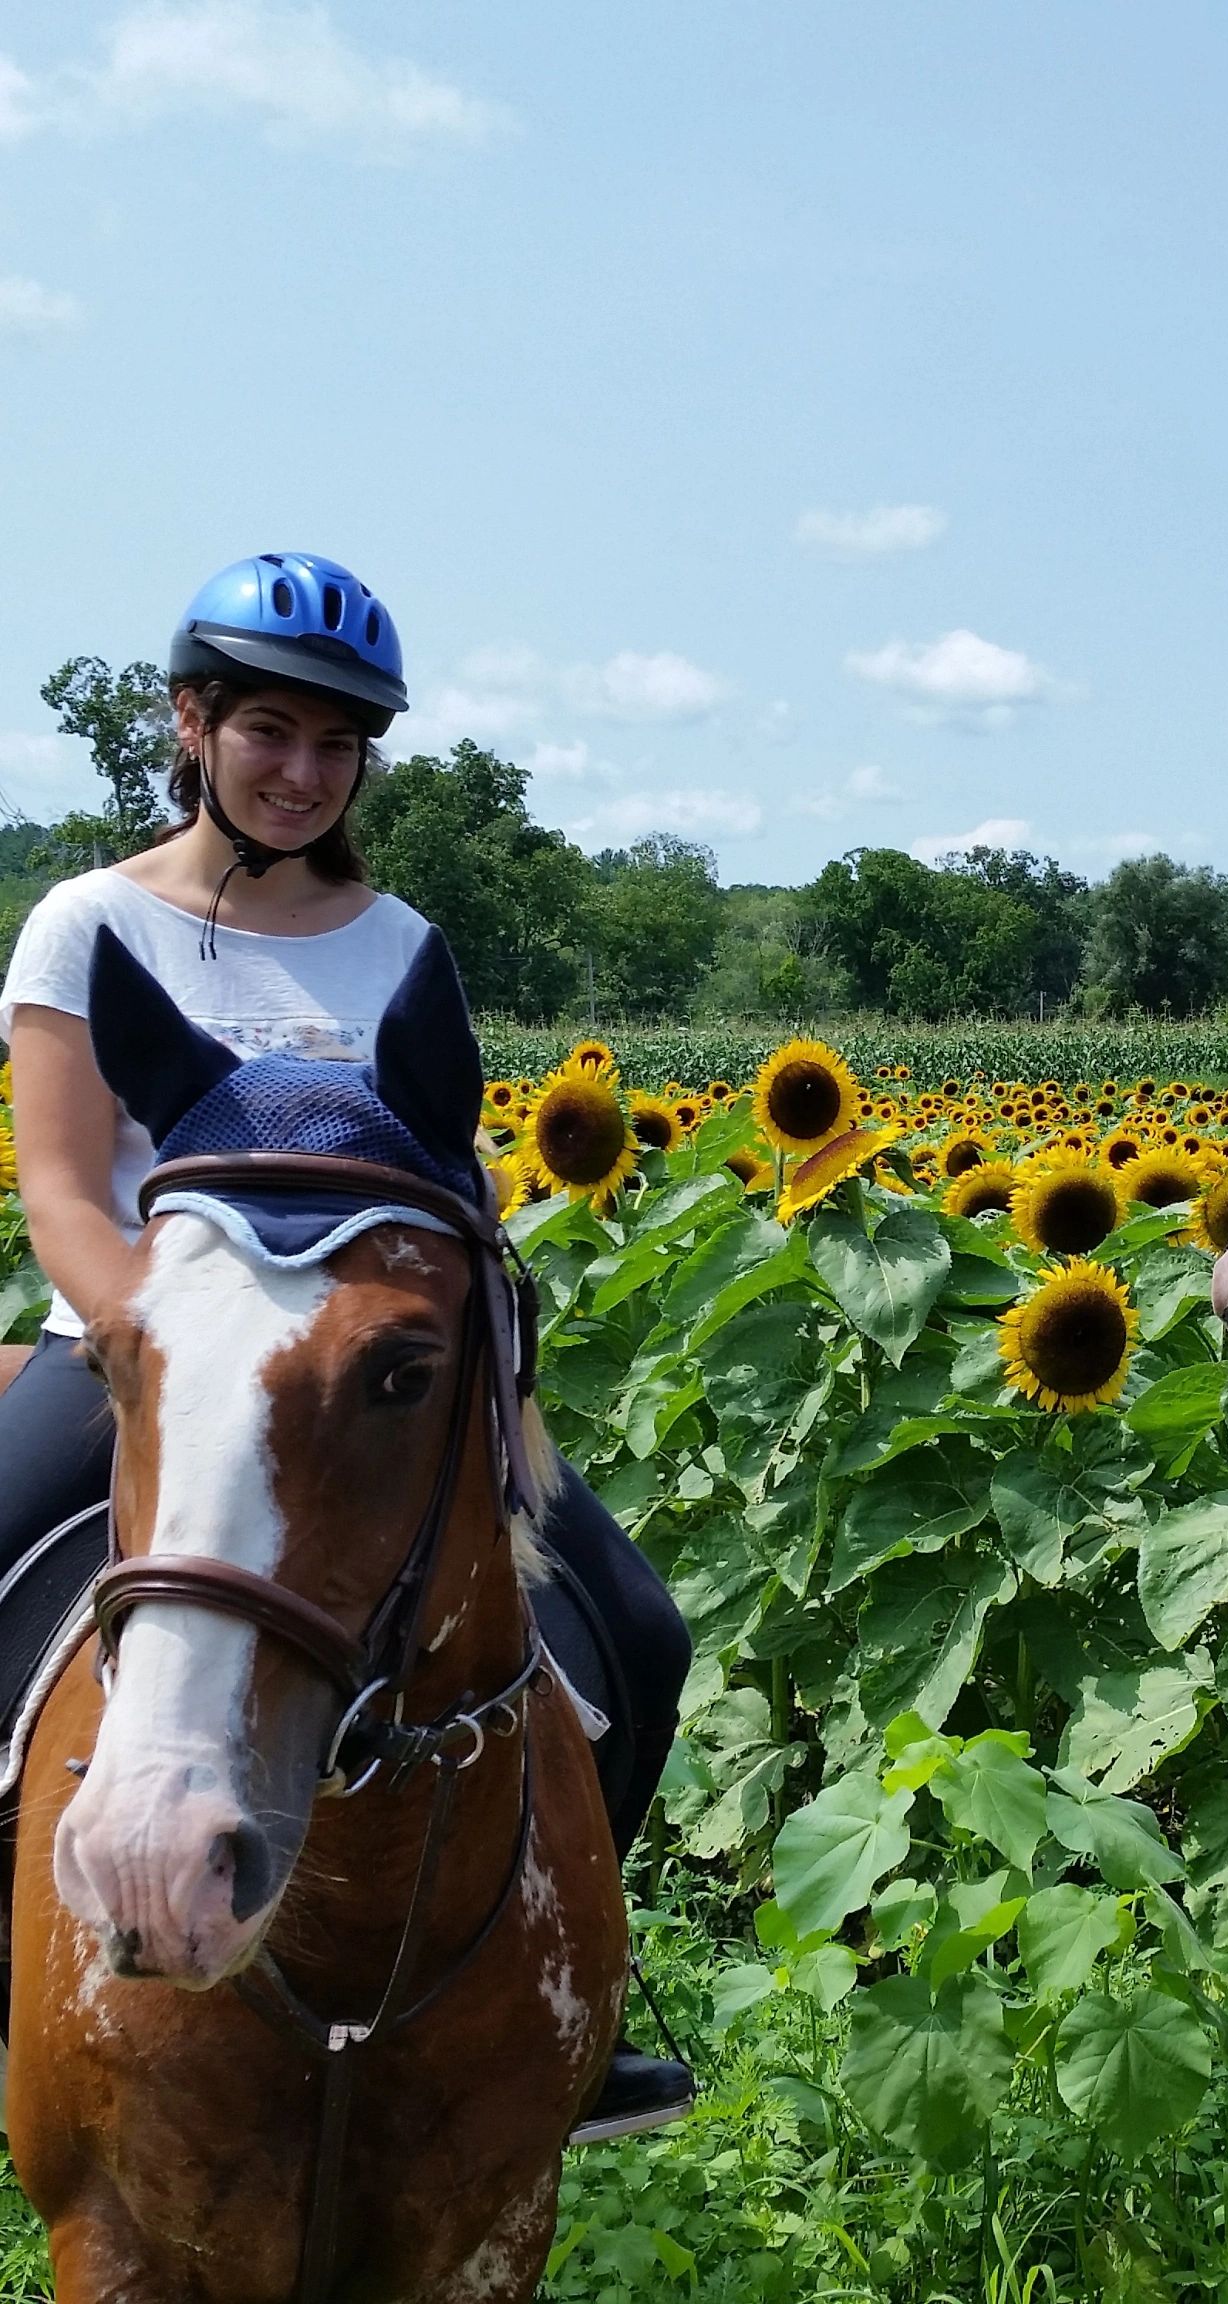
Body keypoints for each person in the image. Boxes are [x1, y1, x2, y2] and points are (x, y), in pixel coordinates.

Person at [0, 553, 695, 2137]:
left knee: (638, 1631)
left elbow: (452, 1181)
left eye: (338, 746)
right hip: (132, 1355)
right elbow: (58, 1184)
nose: (304, 775)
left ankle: (568, 2000)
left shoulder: (400, 947)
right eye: (268, 733)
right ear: (192, 722)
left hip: (360, 1383)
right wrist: (145, 1351)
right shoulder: (86, 922)